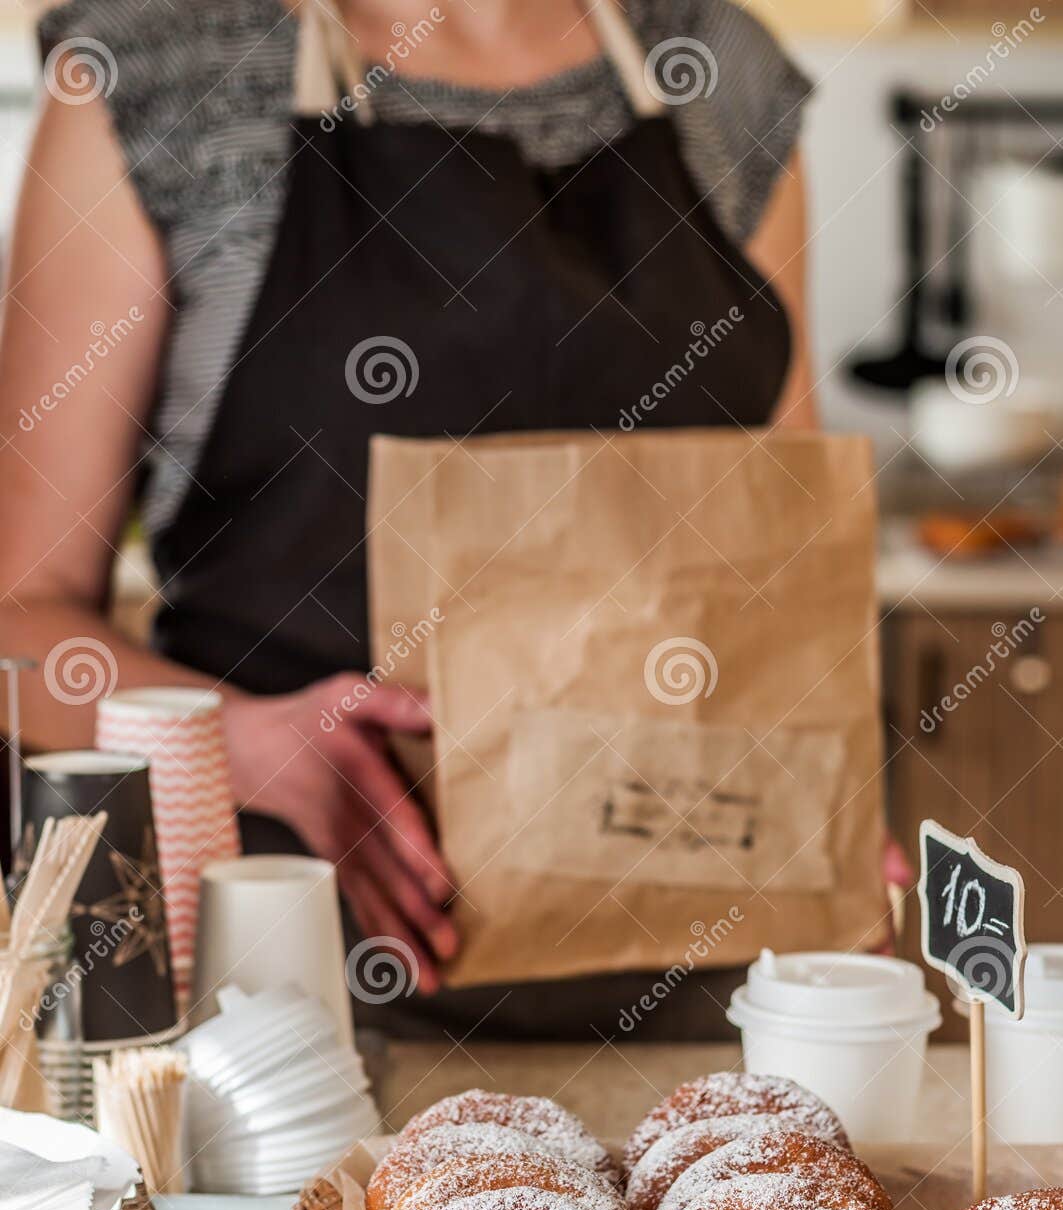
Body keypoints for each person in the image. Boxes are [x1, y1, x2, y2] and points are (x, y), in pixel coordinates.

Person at [0, 0, 867, 1038]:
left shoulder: (715, 66)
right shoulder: (166, 64)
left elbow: (790, 566)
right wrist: (258, 746)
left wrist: (837, 799)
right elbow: (21, 622)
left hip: (706, 997)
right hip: (295, 1018)